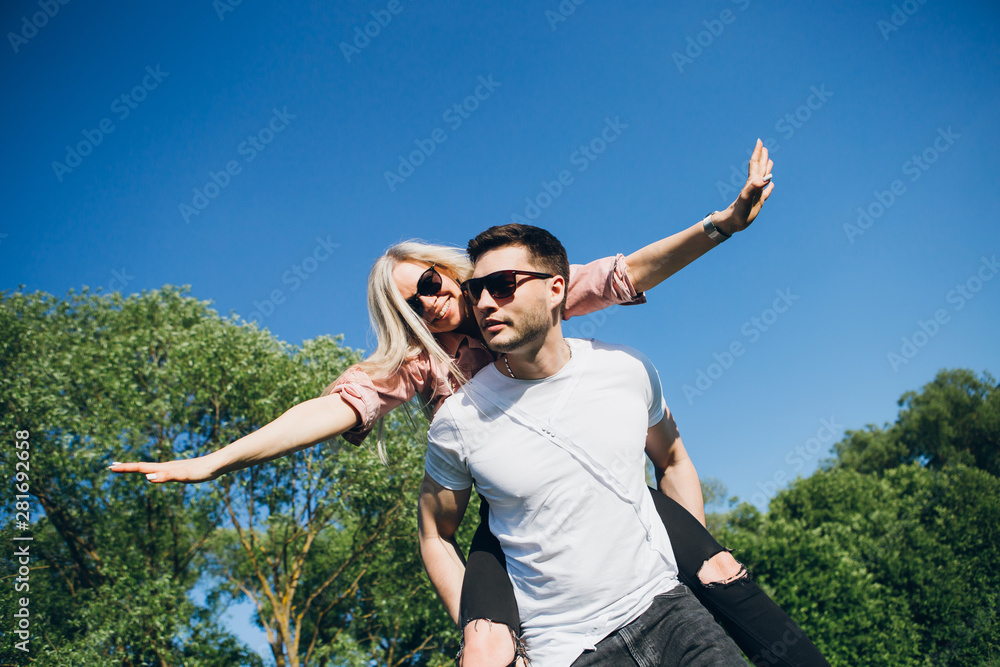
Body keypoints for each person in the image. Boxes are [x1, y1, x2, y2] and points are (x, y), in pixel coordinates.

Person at [111, 142, 826, 665]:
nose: (438, 299)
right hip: (504, 502)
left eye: (429, 280)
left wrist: (721, 224)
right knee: (483, 646)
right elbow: (325, 411)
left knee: (716, 571)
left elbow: (627, 272)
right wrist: (217, 459)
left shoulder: (515, 293)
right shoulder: (420, 366)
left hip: (598, 484)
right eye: (412, 302)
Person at [419, 223, 747, 665]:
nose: (482, 302)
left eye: (501, 285)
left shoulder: (626, 368)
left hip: (675, 616)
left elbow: (672, 461)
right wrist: (489, 636)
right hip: (565, 651)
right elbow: (435, 535)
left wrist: (686, 568)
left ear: (557, 288)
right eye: (475, 290)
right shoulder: (457, 421)